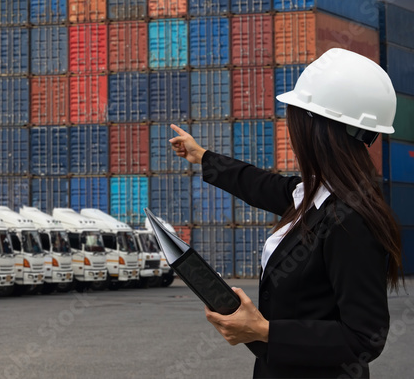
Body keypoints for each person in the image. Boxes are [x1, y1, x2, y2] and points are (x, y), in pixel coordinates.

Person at [169, 48, 403, 378]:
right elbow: (257, 184)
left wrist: (264, 330)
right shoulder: (313, 195)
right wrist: (202, 156)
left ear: (315, 127)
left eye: (293, 116)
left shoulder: (349, 221)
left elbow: (365, 338)